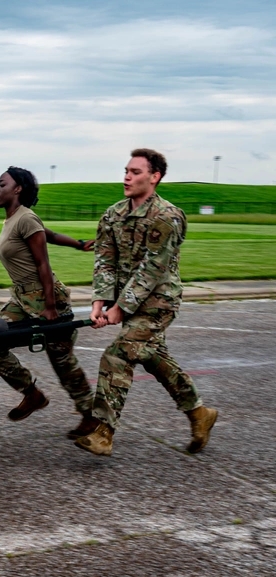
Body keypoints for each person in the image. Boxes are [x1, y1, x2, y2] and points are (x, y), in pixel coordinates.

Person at [76, 149, 218, 456]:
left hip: (158, 302)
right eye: (126, 170)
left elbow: (153, 268)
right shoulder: (112, 215)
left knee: (118, 354)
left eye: (136, 172)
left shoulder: (168, 217)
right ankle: (199, 413)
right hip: (128, 300)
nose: (127, 176)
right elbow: (105, 260)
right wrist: (99, 302)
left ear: (155, 177)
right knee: (154, 357)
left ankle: (103, 431)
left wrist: (119, 308)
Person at [0, 167, 97, 438]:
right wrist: (78, 244)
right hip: (22, 298)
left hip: (46, 298)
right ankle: (32, 394)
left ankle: (91, 417)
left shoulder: (26, 217)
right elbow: (50, 235)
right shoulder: (14, 219)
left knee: (62, 362)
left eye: (2, 184)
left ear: (18, 189)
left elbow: (43, 263)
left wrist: (50, 307)